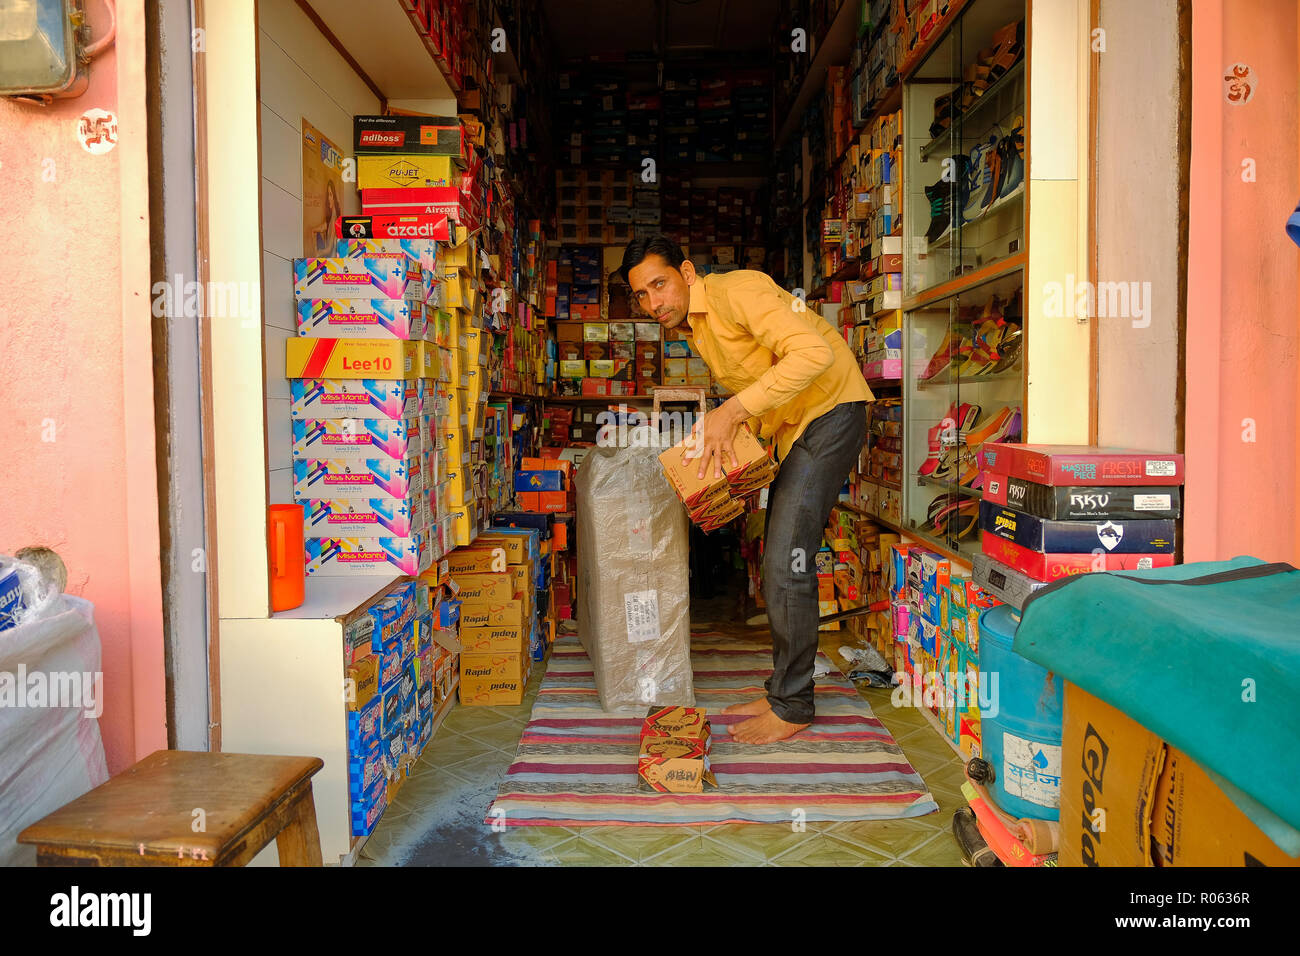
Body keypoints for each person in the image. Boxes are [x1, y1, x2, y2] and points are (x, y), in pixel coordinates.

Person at [620, 236, 873, 745]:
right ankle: (783, 688)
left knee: (786, 562)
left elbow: (812, 353)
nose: (654, 303)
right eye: (643, 295)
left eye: (660, 284)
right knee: (778, 558)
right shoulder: (698, 329)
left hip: (832, 415)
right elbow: (765, 386)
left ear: (687, 273)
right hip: (796, 431)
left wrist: (731, 412)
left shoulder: (739, 291)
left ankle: (795, 704)